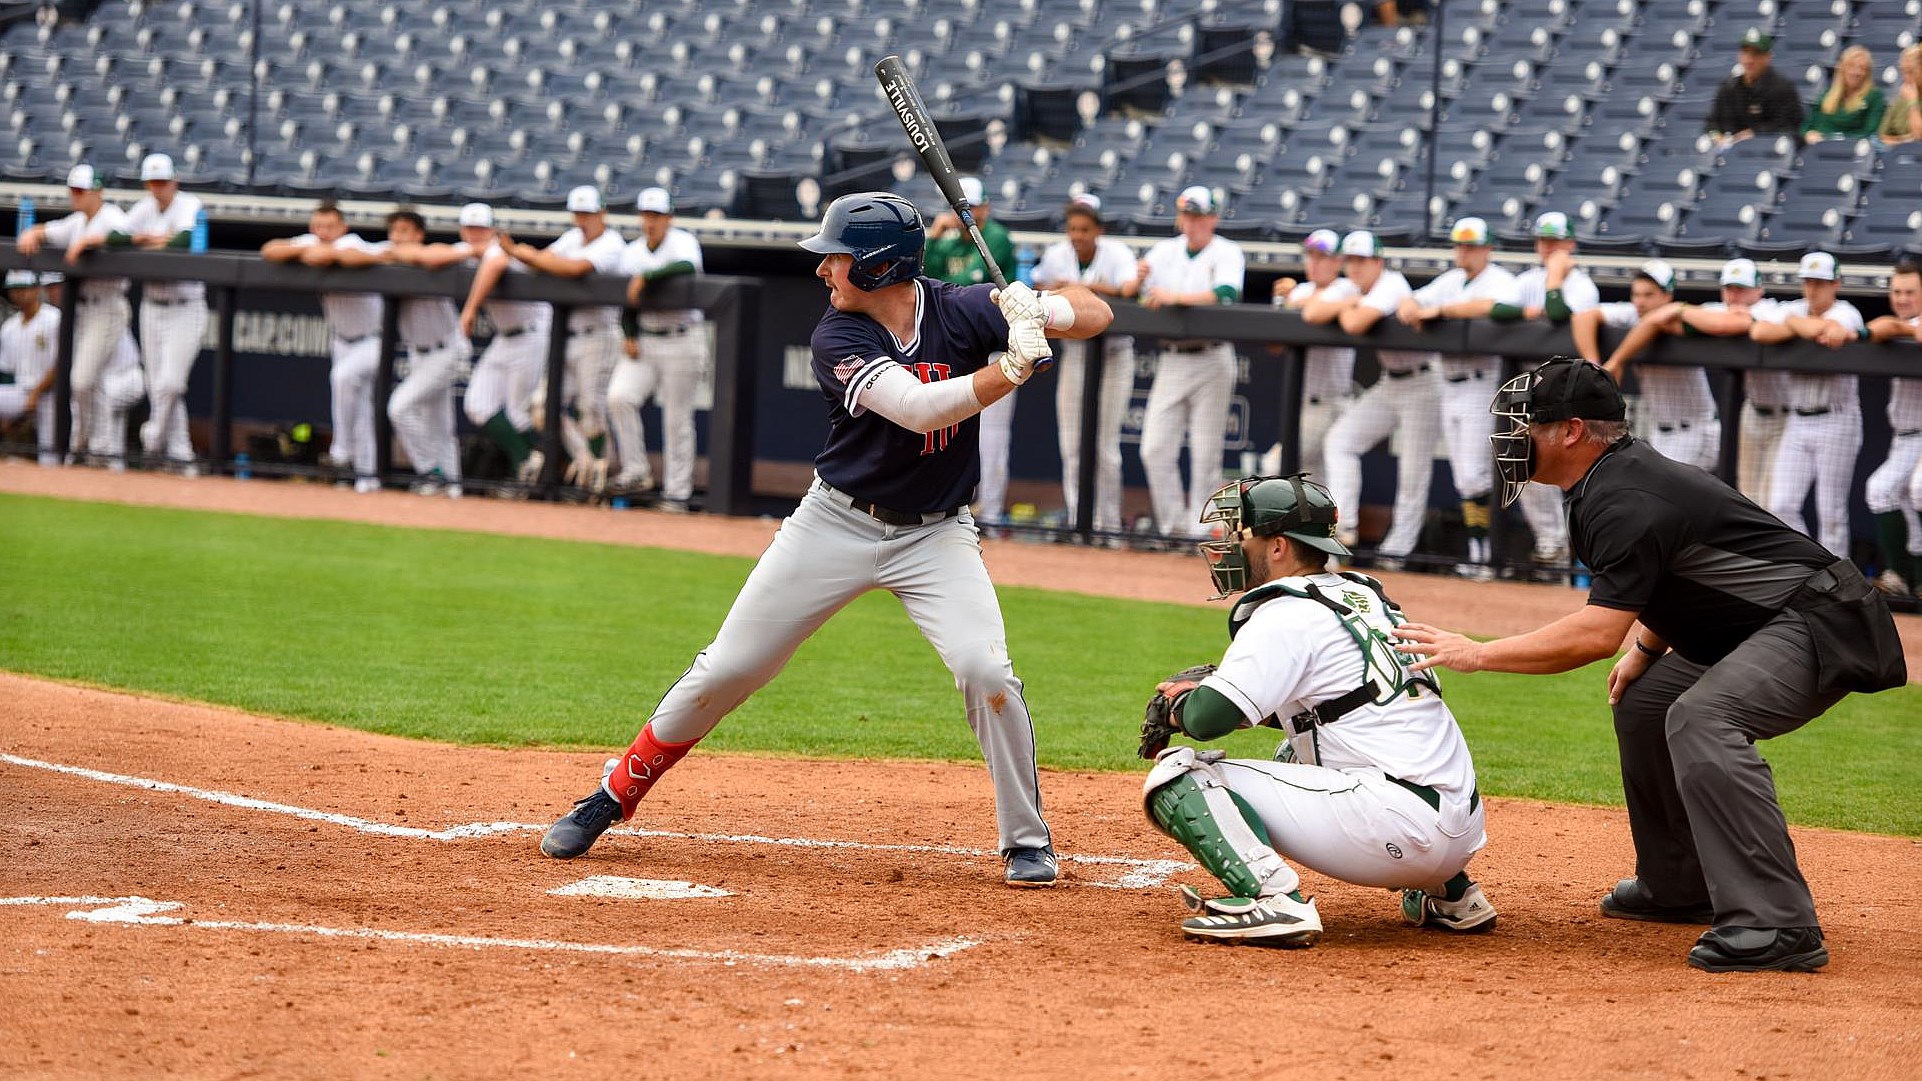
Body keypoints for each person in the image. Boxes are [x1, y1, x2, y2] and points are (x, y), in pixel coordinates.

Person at [537, 192, 1114, 886]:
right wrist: (1011, 368)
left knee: (987, 671)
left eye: (835, 258)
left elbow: (1098, 313)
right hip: (835, 522)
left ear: (877, 266)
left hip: (936, 534)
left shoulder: (961, 308)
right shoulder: (836, 335)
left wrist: (1039, 309)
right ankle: (614, 792)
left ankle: (1025, 839)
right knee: (729, 667)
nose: (821, 271)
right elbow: (917, 408)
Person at [1396, 358, 1906, 972]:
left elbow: (1593, 636)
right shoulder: (1606, 482)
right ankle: (1678, 883)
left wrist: (1477, 652)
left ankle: (1776, 922)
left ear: (1572, 431)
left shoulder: (1625, 496)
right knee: (1646, 704)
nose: (1511, 436)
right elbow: (1678, 575)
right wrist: (1646, 649)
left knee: (1704, 718)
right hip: (1763, 622)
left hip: (1819, 622)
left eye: (1525, 424)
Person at [1139, 474, 1494, 945]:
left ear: (1279, 546)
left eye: (1241, 535)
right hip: (1459, 830)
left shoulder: (1286, 613)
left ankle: (1273, 901)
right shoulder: (1363, 596)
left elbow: (1207, 720)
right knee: (1295, 747)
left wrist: (1177, 706)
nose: (1229, 546)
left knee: (1177, 777)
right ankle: (1452, 895)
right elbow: (1337, 707)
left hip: (1401, 828)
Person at [1397, 216, 1522, 577]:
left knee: (1475, 475)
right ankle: (1478, 553)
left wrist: (1442, 311)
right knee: (1464, 477)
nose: (1464, 252)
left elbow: (1493, 307)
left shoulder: (1501, 279)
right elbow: (1412, 301)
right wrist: (1411, 308)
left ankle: (1487, 555)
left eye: (1472, 246)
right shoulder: (1450, 280)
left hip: (1482, 382)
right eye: (1460, 246)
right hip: (1448, 383)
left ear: (1487, 249)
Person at [1307, 230, 1441, 566]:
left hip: (1424, 382)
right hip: (1390, 381)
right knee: (1340, 440)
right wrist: (1346, 302)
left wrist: (1345, 306)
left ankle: (1396, 553)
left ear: (1378, 262)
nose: (1355, 267)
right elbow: (1311, 312)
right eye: (1351, 260)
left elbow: (1355, 323)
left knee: (1412, 473)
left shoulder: (1391, 283)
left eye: (1363, 261)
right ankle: (1345, 527)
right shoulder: (1351, 288)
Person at [1134, 185, 1247, 540]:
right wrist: (1140, 282)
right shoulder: (1165, 250)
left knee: (1205, 453)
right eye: (1187, 215)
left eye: (1199, 215)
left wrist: (1176, 297)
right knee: (1153, 448)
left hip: (1212, 357)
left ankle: (1202, 532)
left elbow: (1227, 294)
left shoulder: (1226, 251)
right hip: (1172, 357)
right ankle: (1175, 529)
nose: (1192, 222)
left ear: (1212, 218)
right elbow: (1142, 293)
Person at [497, 185, 627, 492]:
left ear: (602, 214)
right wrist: (528, 256)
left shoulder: (612, 243)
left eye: (588, 213)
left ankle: (599, 476)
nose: (583, 219)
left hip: (599, 335)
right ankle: (587, 462)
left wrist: (524, 253)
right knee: (541, 407)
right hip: (566, 336)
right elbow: (544, 260)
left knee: (591, 409)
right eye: (578, 213)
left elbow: (575, 268)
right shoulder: (572, 238)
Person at [344, 209, 474, 497]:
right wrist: (383, 256)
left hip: (447, 348)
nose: (397, 236)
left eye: (404, 231)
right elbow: (348, 256)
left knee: (399, 408)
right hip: (419, 353)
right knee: (439, 424)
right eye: (394, 231)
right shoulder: (387, 253)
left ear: (418, 234)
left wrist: (399, 254)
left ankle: (430, 471)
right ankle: (453, 487)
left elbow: (434, 257)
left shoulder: (428, 254)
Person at [1489, 210, 1594, 565]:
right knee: (1525, 464)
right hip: (1532, 389)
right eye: (1543, 241)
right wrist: (1530, 312)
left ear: (1570, 244)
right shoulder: (1527, 279)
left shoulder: (1582, 284)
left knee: (1578, 474)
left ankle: (1578, 550)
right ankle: (1552, 543)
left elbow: (1559, 313)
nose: (1548, 247)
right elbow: (1498, 311)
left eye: (1555, 241)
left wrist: (1554, 278)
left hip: (1569, 390)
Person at [1034, 193, 1139, 539]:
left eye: (1084, 229)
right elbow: (1036, 284)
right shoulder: (1057, 254)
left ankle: (1108, 526)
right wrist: (1060, 288)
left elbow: (1129, 289)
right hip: (1076, 355)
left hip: (1114, 355)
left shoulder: (1117, 253)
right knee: (1072, 445)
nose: (1077, 235)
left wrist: (1082, 287)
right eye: (1073, 228)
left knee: (1105, 447)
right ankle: (1080, 521)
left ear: (1098, 230)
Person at [261, 201, 385, 493]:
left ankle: (341, 450)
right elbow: (269, 250)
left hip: (374, 338)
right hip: (341, 340)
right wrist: (305, 249)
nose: (323, 231)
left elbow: (348, 256)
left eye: (329, 226)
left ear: (343, 227)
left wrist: (323, 252)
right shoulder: (310, 241)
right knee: (361, 408)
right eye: (318, 226)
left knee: (342, 379)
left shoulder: (351, 242)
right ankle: (367, 476)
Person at [13, 164, 131, 460]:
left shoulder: (111, 215)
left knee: (82, 380)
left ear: (97, 192)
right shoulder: (77, 221)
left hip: (107, 305)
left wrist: (89, 241)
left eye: (81, 190)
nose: (75, 196)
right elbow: (46, 231)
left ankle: (90, 446)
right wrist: (32, 232)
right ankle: (95, 449)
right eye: (73, 190)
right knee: (89, 382)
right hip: (83, 309)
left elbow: (126, 236)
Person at [1751, 252, 1865, 557]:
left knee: (1831, 512)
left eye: (1820, 282)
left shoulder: (1847, 311)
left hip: (1837, 419)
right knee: (1780, 505)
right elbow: (1759, 331)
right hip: (1797, 420)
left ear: (1835, 284)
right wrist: (1796, 323)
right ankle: (1812, 566)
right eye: (1808, 282)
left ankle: (1838, 579)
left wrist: (1790, 326)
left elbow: (1828, 332)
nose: (1813, 289)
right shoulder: (1793, 309)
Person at [924, 176, 1020, 526]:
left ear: (985, 208)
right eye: (961, 208)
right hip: (961, 347)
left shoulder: (995, 237)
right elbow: (921, 277)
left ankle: (990, 511)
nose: (967, 214)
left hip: (997, 347)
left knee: (992, 434)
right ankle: (951, 505)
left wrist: (945, 291)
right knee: (947, 428)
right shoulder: (947, 239)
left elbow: (971, 287)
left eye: (974, 207)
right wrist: (933, 236)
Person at [609, 186, 705, 510]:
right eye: (646, 215)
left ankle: (676, 496)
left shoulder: (683, 241)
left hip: (682, 337)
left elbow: (687, 266)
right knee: (619, 397)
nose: (651, 222)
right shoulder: (632, 251)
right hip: (646, 338)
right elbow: (627, 300)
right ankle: (636, 469)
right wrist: (628, 332)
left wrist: (648, 276)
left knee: (677, 421)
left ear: (668, 218)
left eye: (657, 215)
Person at [109, 153, 206, 471]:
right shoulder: (144, 208)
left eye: (163, 181)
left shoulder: (189, 204)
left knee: (172, 384)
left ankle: (153, 438)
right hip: (152, 306)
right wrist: (144, 239)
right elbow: (114, 237)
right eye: (152, 182)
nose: (158, 188)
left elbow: (185, 240)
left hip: (185, 305)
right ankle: (181, 455)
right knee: (158, 386)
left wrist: (149, 245)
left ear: (174, 181)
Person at [1588, 260, 1722, 472]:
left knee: (1661, 488)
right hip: (1660, 431)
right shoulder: (1634, 314)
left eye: (1649, 295)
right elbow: (1585, 316)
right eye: (1636, 294)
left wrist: (1615, 362)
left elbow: (1654, 322)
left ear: (1667, 296)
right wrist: (1593, 363)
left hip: (1694, 430)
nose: (1640, 301)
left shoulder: (1678, 317)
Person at [454, 202, 553, 487]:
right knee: (477, 405)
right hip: (505, 338)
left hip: (531, 332)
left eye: (481, 229)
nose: (475, 234)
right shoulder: (468, 251)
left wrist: (470, 309)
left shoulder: (497, 249)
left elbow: (496, 263)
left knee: (519, 412)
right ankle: (528, 460)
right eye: (470, 229)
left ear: (492, 231)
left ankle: (543, 472)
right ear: (462, 231)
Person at [1266, 229, 1354, 481]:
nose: (1314, 263)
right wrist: (1279, 307)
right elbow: (1274, 347)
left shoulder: (1346, 288)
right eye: (1310, 256)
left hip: (1331, 403)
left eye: (1322, 257)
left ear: (1337, 262)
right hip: (1304, 404)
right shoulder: (1300, 291)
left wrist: (1291, 301)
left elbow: (1317, 308)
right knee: (1316, 483)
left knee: (1275, 466)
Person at [1862, 261, 1922, 596]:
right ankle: (1903, 576)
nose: (1902, 298)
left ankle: (1905, 574)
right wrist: (1909, 329)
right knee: (1885, 492)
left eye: (1910, 292)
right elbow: (1876, 328)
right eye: (1897, 292)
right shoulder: (1900, 324)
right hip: (1904, 437)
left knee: (1916, 489)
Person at [1705, 28, 1805, 145]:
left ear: (1767, 57)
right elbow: (1712, 124)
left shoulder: (1782, 89)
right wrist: (1716, 136)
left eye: (1756, 54)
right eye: (1745, 53)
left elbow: (1789, 127)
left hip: (1768, 150)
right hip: (1732, 151)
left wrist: (1755, 134)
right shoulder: (1729, 88)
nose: (1749, 60)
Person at [0, 271, 60, 465]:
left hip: (51, 394)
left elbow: (59, 365)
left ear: (36, 289)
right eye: (14, 289)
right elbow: (7, 371)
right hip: (20, 392)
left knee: (50, 457)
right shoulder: (9, 327)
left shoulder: (54, 318)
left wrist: (36, 392)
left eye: (23, 288)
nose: (18, 294)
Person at [1801, 46, 1885, 143]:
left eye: (1863, 68)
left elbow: (1869, 132)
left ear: (1868, 73)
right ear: (1842, 69)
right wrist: (1808, 134)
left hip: (1852, 147)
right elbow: (1806, 127)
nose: (1856, 72)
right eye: (1851, 66)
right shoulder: (1826, 95)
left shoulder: (1875, 97)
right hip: (1820, 147)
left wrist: (1831, 137)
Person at [1876, 44, 1922, 145]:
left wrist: (1912, 103)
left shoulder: (1910, 98)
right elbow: (1882, 137)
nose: (1905, 78)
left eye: (1911, 72)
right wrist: (1905, 140)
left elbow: (1919, 138)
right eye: (1903, 72)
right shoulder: (1900, 100)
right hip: (1897, 153)